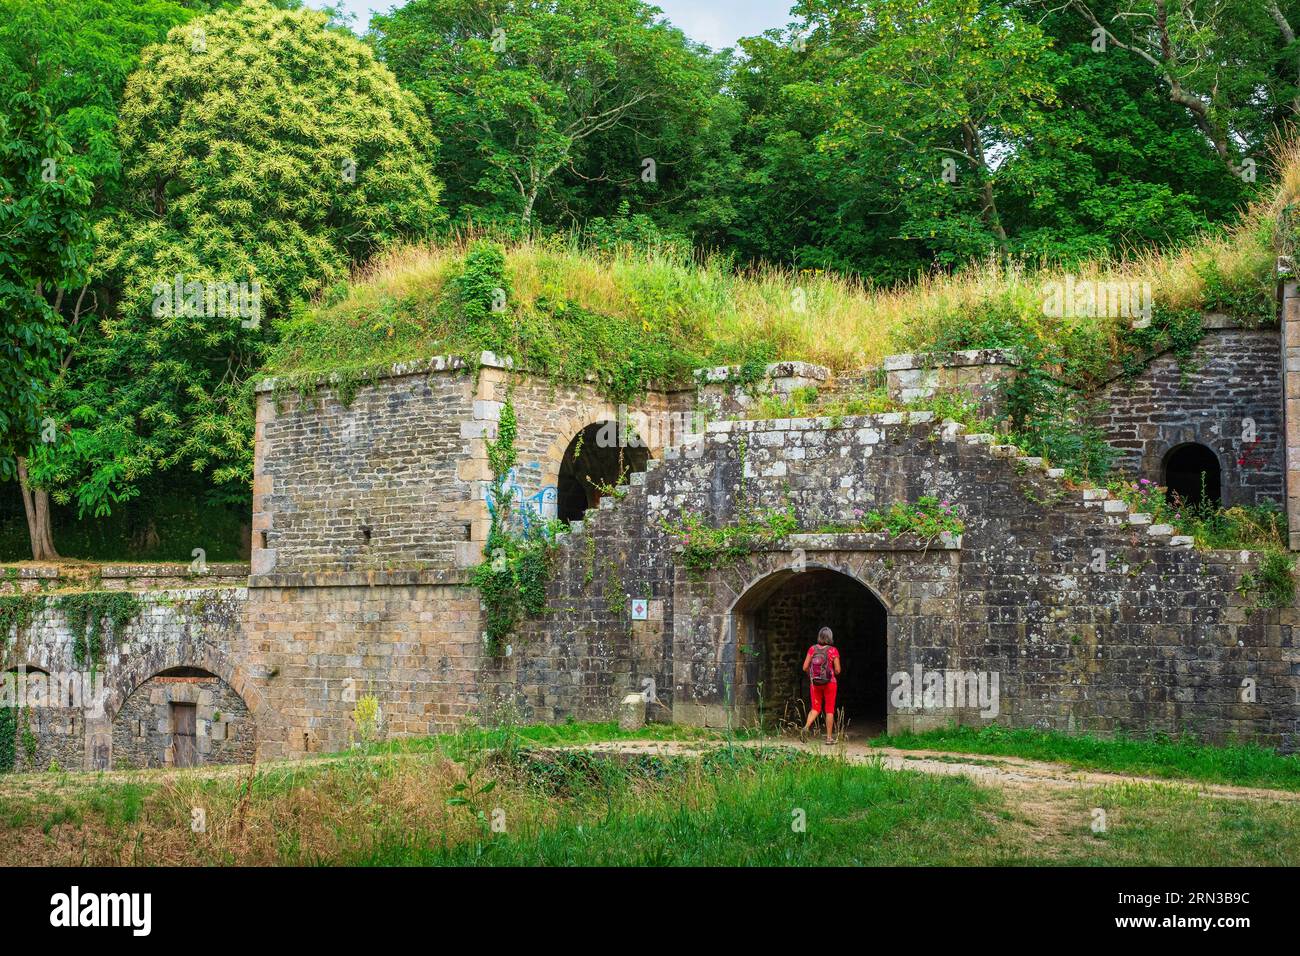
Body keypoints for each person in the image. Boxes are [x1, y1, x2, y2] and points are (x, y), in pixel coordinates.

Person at [802, 626, 841, 744]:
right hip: (830, 683)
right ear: (830, 637)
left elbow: (804, 667)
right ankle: (829, 738)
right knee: (829, 709)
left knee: (815, 708)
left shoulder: (812, 649)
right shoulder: (833, 650)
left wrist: (813, 676)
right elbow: (838, 670)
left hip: (815, 683)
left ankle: (806, 727)